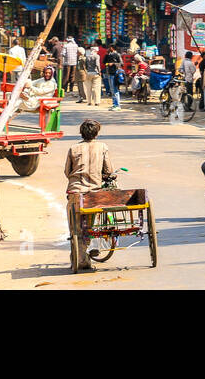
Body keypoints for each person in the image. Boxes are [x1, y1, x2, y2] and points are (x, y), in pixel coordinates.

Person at [63, 119, 117, 271]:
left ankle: (81, 256)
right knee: (88, 225)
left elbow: (67, 172)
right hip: (94, 195)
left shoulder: (73, 148)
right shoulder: (102, 147)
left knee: (75, 228)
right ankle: (83, 257)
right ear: (97, 133)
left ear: (81, 133)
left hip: (75, 192)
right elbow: (108, 171)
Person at [81, 41, 103, 107]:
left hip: (88, 73)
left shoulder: (87, 56)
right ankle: (97, 102)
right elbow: (97, 64)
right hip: (95, 73)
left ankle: (89, 101)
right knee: (97, 88)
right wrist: (99, 71)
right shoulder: (97, 56)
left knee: (88, 88)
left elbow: (86, 65)